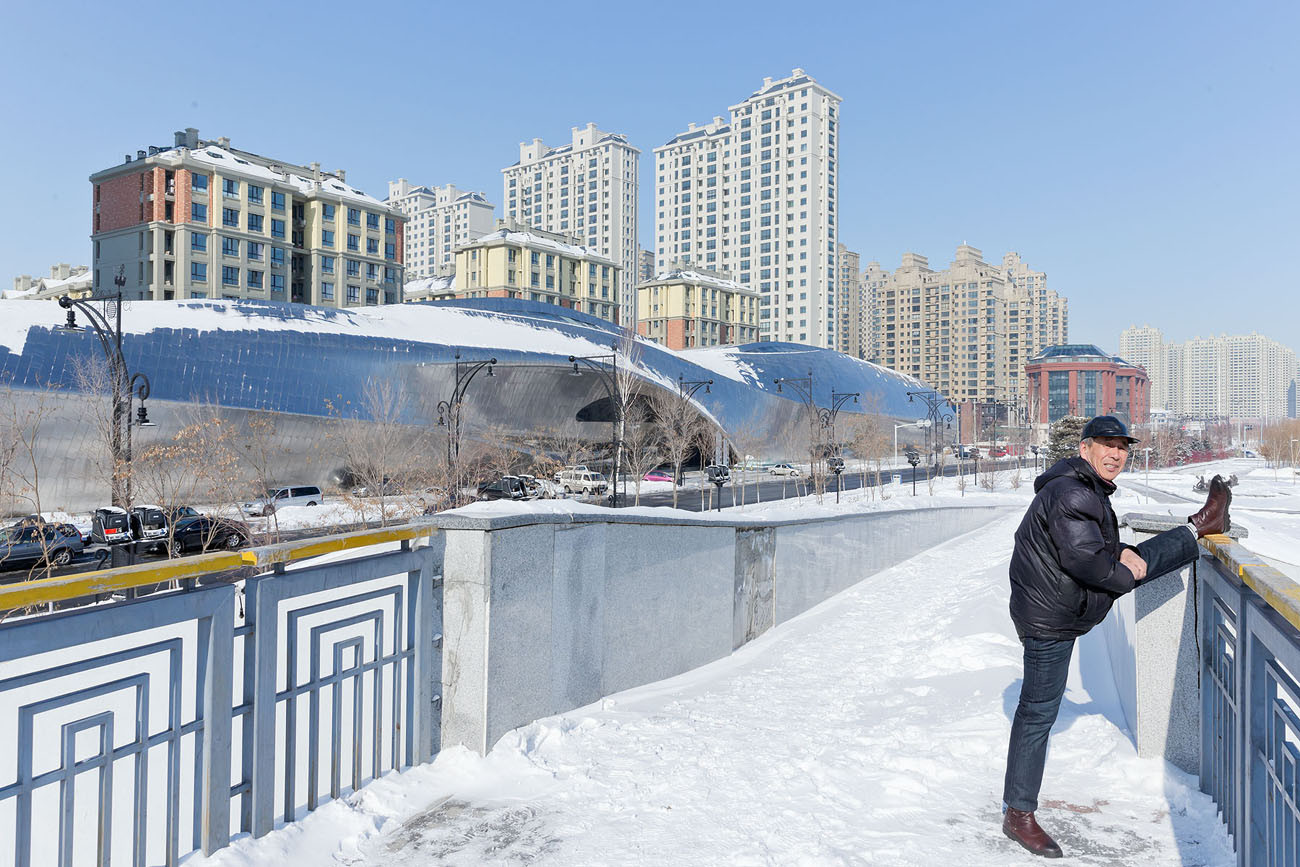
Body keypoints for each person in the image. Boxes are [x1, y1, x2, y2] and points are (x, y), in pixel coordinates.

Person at [1001, 415, 1232, 858]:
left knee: (1139, 558)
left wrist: (1123, 554)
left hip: (1054, 607)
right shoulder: (1073, 492)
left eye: (1123, 448)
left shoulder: (1081, 486)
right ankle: (1018, 815)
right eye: (1107, 445)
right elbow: (1087, 562)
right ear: (1085, 448)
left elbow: (1092, 547)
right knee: (1036, 715)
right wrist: (1125, 571)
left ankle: (1200, 524)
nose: (1116, 454)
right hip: (1049, 618)